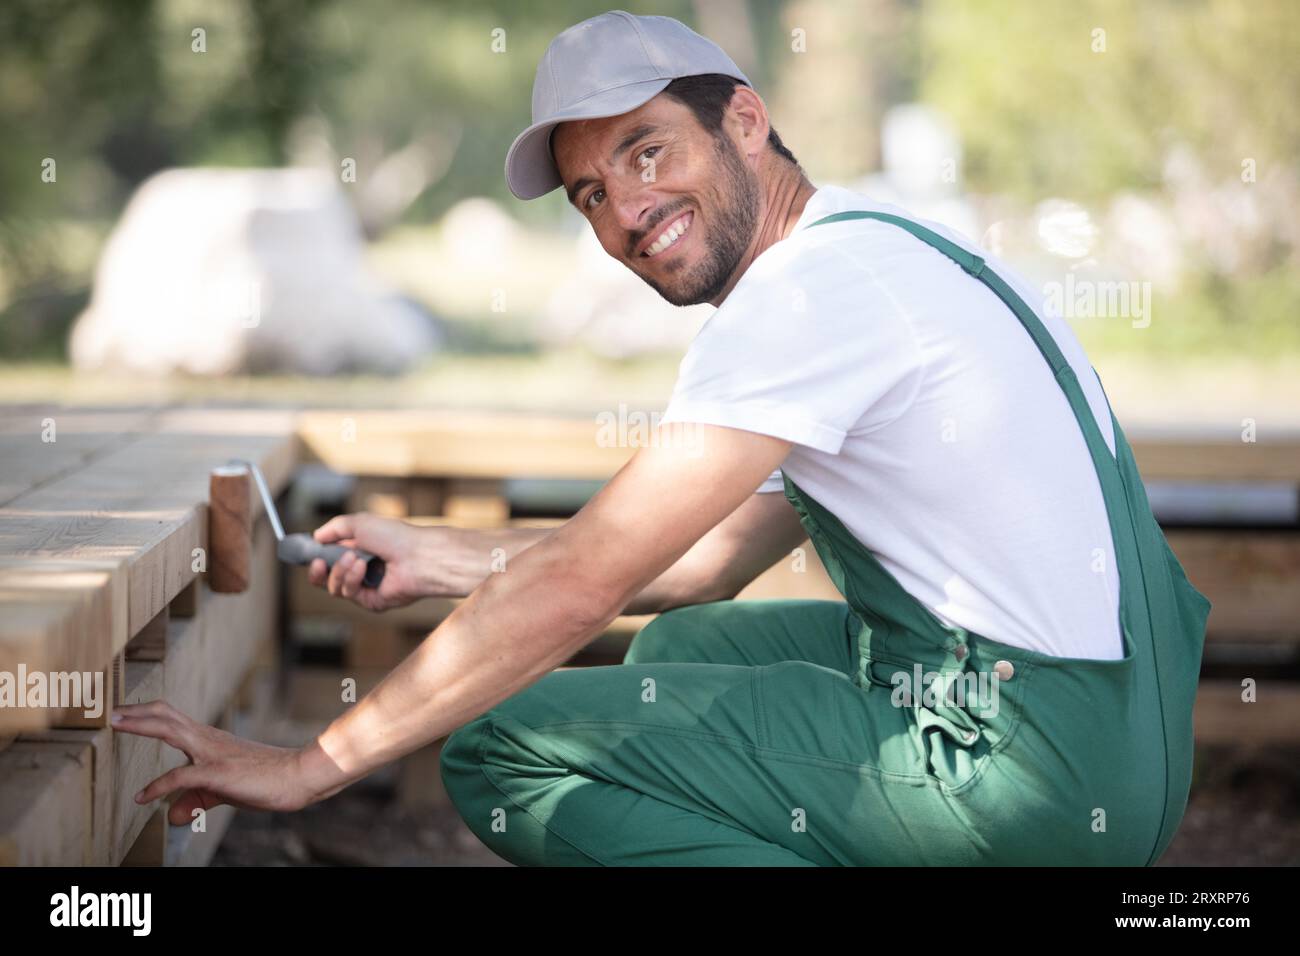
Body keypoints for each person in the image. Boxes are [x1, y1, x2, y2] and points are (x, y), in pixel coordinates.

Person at [114, 10, 1211, 866]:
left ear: (743, 118)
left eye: (646, 153)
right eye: (591, 192)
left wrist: (309, 764)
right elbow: (700, 558)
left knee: (503, 748)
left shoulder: (800, 298)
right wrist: (445, 556)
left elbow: (582, 586)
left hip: (1025, 767)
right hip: (1124, 739)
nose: (623, 214)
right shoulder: (893, 241)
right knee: (674, 658)